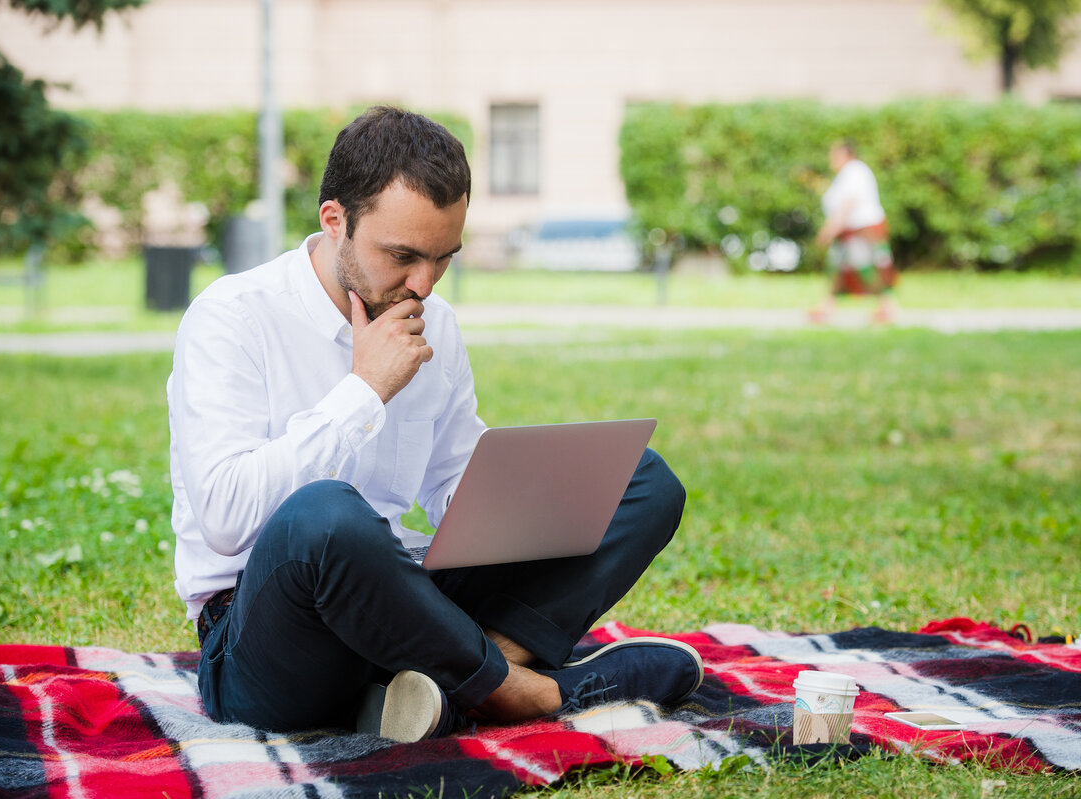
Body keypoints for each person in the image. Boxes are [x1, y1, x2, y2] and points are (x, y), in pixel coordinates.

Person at [167, 106, 702, 742]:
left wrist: (520, 502)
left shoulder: (433, 320)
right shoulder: (232, 317)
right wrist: (365, 390)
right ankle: (518, 691)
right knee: (325, 516)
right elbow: (226, 521)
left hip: (401, 602)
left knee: (639, 481)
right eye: (402, 255)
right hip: (267, 639)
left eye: (444, 257)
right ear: (335, 220)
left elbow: (453, 481)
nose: (422, 284)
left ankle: (446, 680)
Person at [810, 140, 898, 324]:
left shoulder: (854, 171)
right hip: (849, 232)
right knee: (838, 268)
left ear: (845, 155)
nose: (831, 160)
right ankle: (827, 307)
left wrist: (830, 230)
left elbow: (849, 204)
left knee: (868, 268)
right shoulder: (846, 174)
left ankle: (887, 307)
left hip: (862, 229)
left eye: (834, 155)